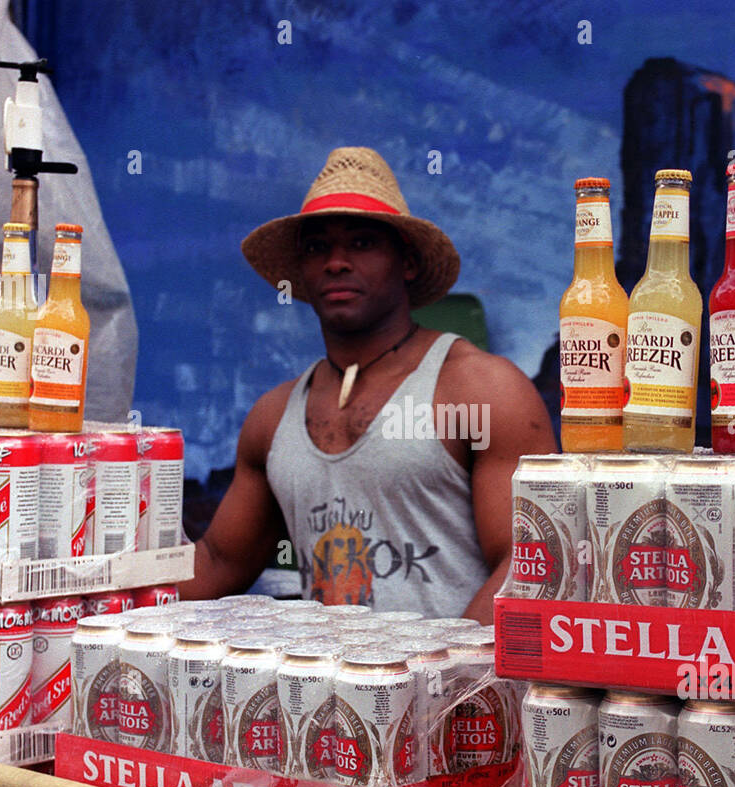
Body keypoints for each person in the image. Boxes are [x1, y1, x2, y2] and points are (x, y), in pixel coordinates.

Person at [180, 147, 557, 622]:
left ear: (408, 264)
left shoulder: (480, 389)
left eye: (361, 243)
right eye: (317, 248)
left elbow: (529, 565)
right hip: (322, 692)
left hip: (458, 690)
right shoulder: (273, 417)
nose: (336, 263)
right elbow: (219, 560)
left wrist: (439, 684)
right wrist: (96, 591)